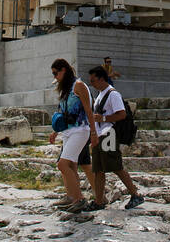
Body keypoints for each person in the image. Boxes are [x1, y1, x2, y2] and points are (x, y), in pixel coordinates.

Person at [86, 65, 144, 210]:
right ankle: (99, 201)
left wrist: (103, 118)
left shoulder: (113, 94)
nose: (91, 84)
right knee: (98, 169)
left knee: (115, 166)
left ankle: (135, 195)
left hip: (109, 134)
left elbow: (121, 114)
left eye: (93, 80)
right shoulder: (100, 95)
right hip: (100, 135)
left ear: (101, 79)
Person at [48, 58, 96, 213]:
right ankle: (72, 196)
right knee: (71, 165)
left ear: (64, 70)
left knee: (62, 164)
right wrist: (56, 131)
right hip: (68, 130)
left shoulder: (79, 86)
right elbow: (63, 111)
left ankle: (79, 199)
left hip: (80, 130)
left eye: (56, 73)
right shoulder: (65, 88)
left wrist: (94, 133)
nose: (55, 77)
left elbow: (89, 110)